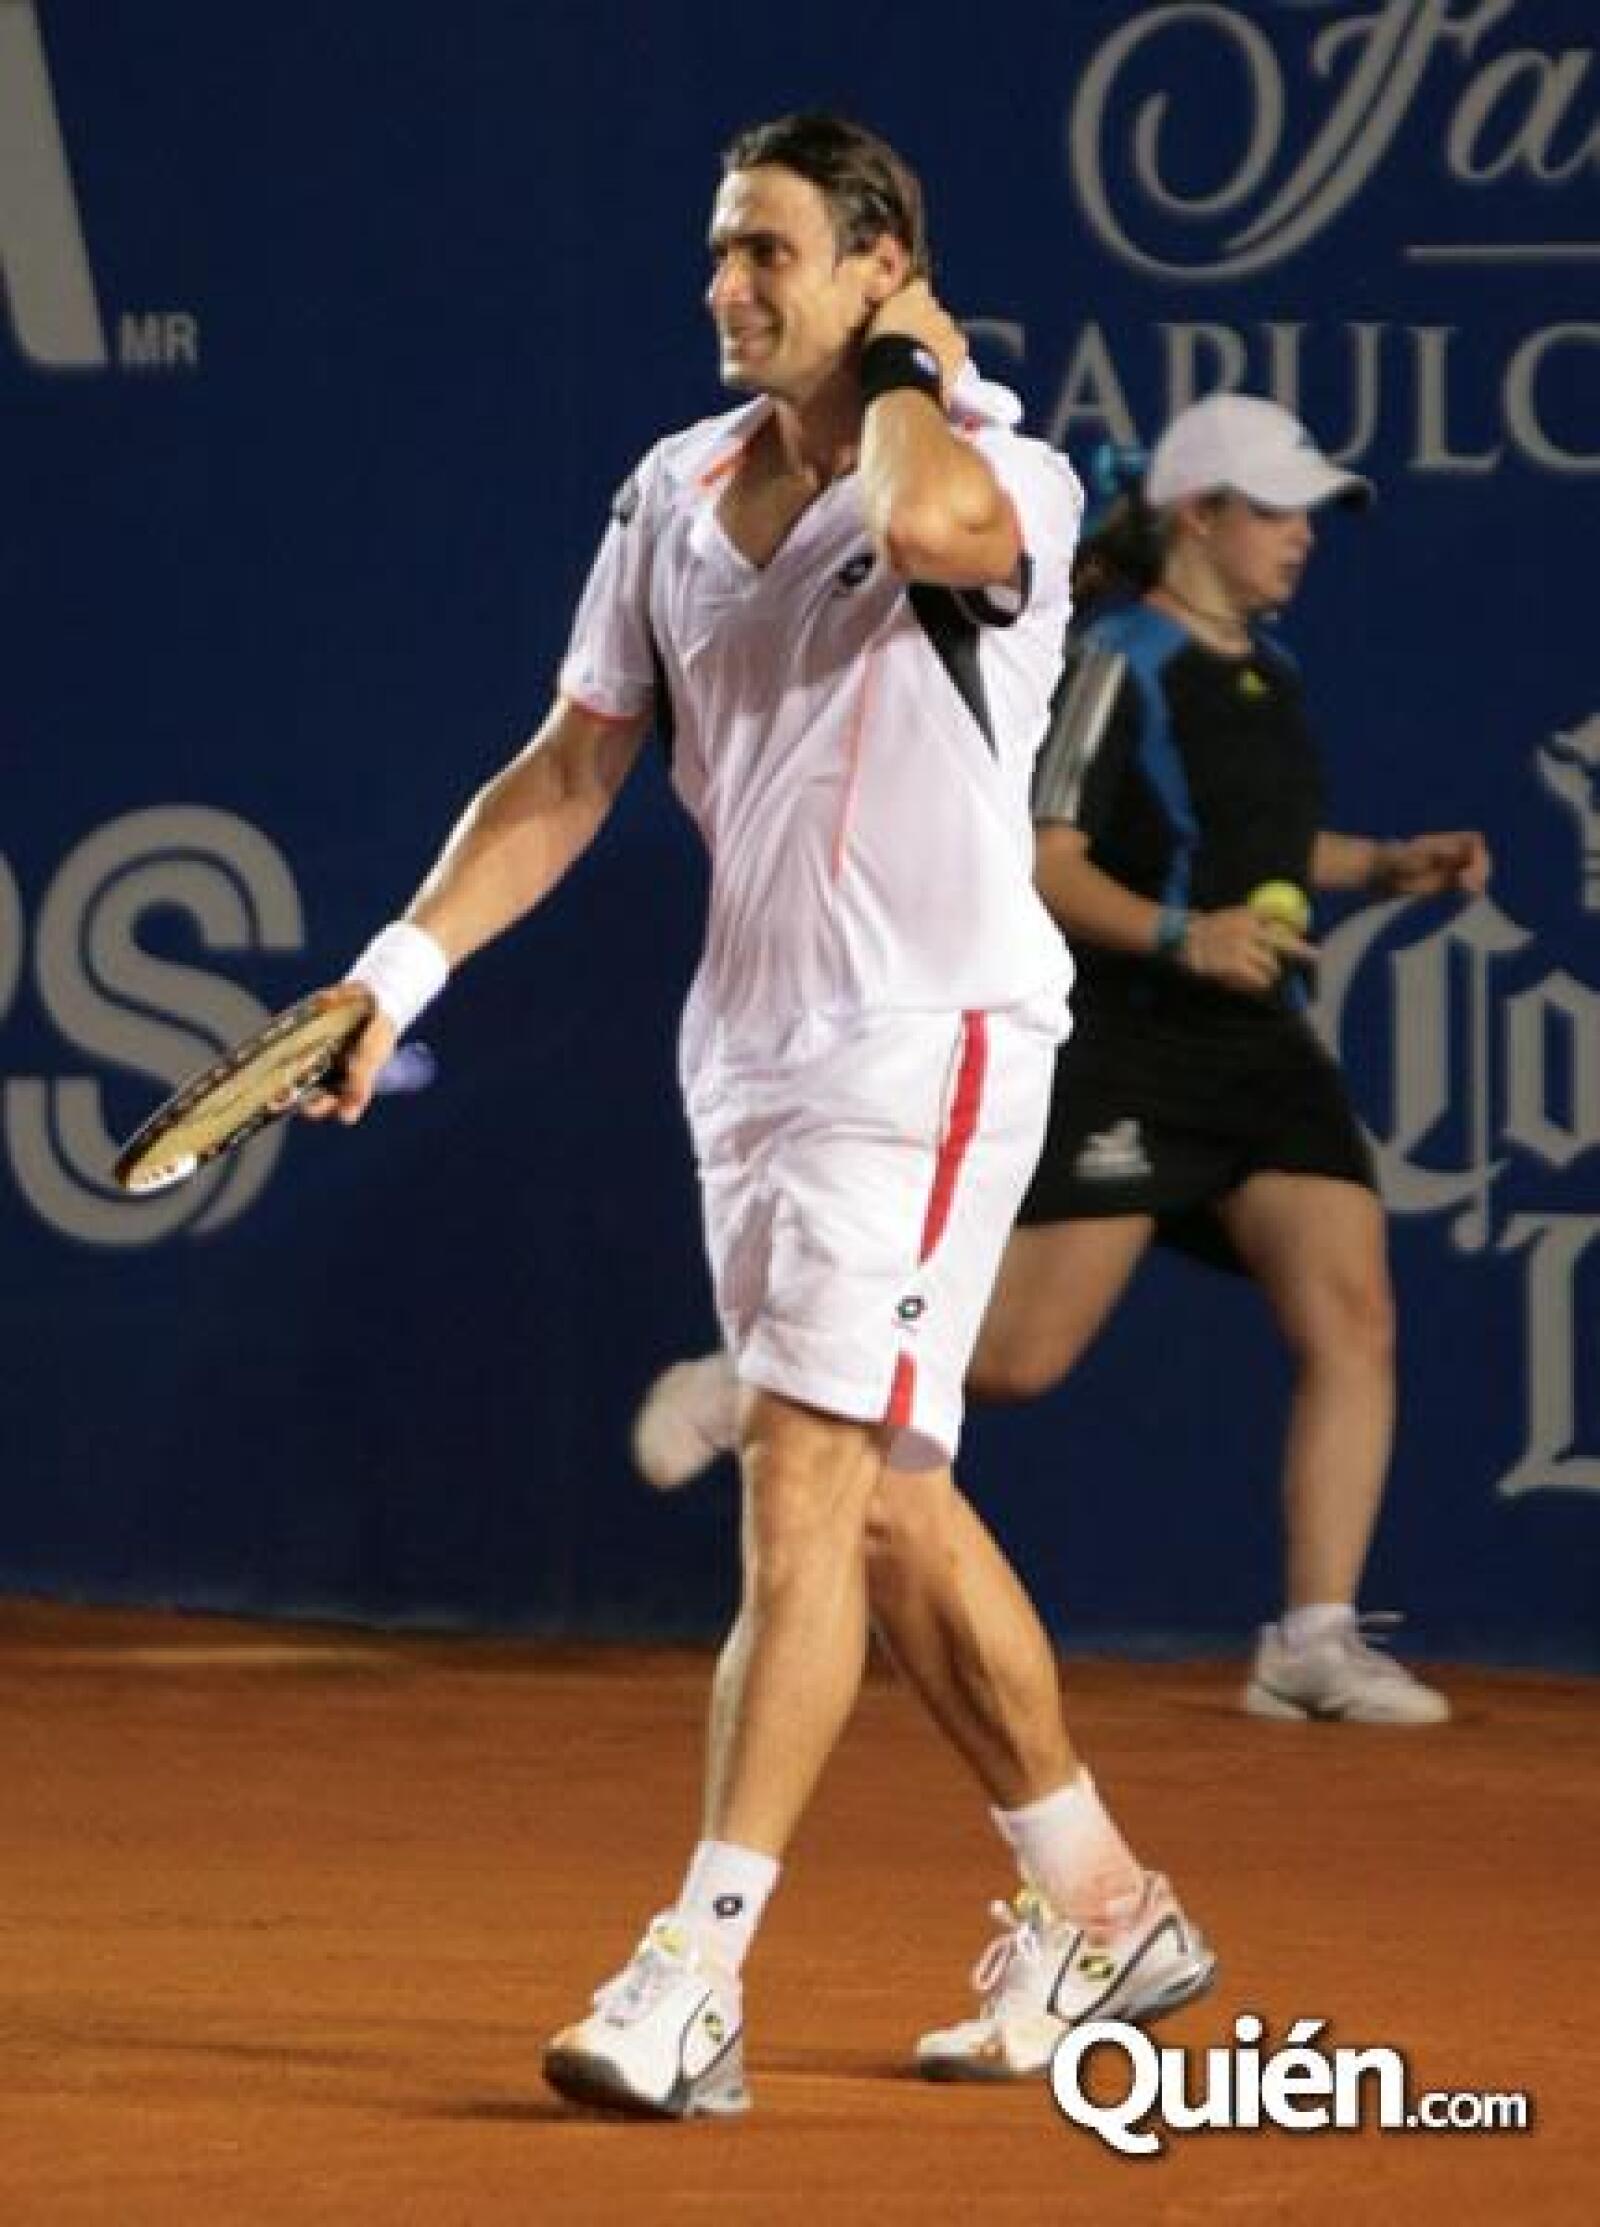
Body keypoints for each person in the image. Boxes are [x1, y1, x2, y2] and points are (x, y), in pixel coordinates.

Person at [307, 114, 1212, 2117]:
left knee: (799, 1479)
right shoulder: (669, 491)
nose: (726, 284)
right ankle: (1102, 1904)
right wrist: (395, 974)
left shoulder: (1005, 474)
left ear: (882, 263)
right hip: (751, 1060)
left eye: (771, 251)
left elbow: (927, 527)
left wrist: (901, 369)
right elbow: (570, 768)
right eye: (719, 250)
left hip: (930, 1045)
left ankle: (694, 1978)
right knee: (887, 1506)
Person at [638, 393, 1491, 1731]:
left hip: (1259, 1046)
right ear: (1198, 517)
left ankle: (1312, 1640)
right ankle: (764, 1381)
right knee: (1021, 1357)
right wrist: (1184, 936)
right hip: (1132, 1039)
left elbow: (1254, 852)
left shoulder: (1270, 671)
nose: (1303, 537)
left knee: (1354, 1315)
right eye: (1277, 511)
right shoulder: (1117, 659)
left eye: (1310, 515)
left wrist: (1382, 867)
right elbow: (1041, 860)